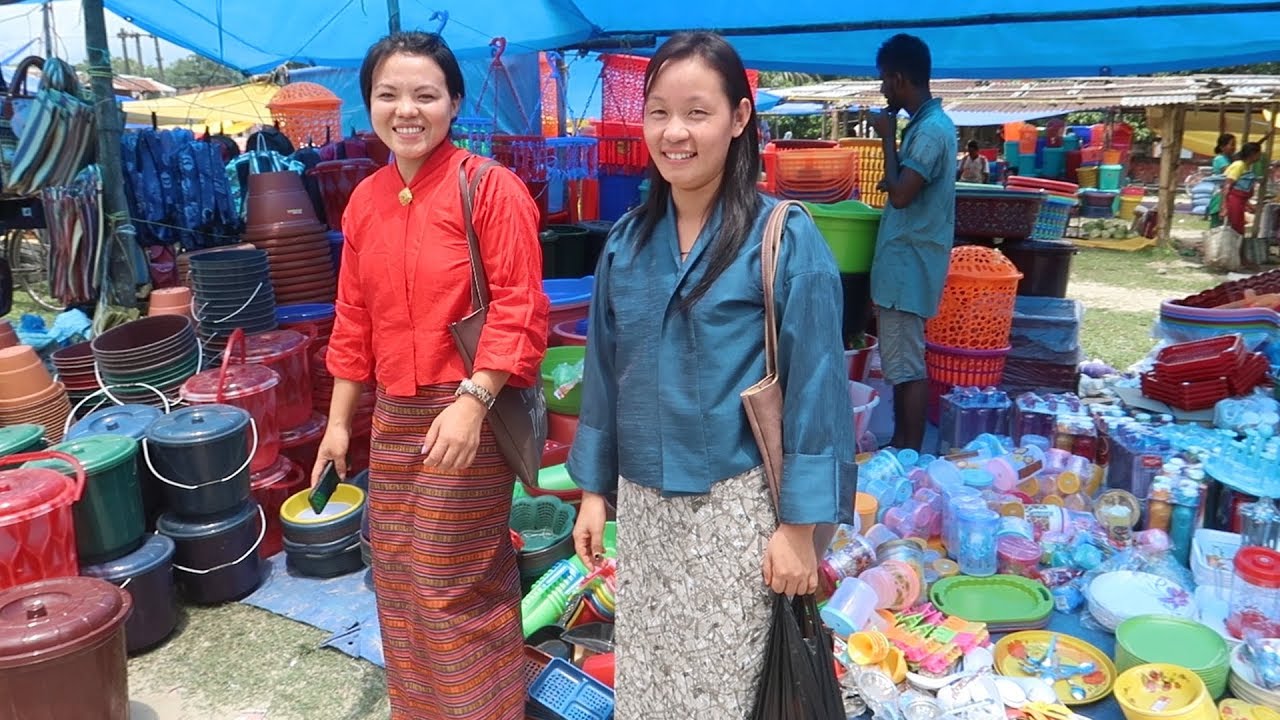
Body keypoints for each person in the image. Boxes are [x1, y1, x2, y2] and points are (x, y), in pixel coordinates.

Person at [567, 31, 855, 720]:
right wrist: (593, 492)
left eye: (697, 112)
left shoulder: (783, 237)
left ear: (739, 119)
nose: (674, 132)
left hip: (738, 519)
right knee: (650, 689)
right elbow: (605, 376)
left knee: (728, 697)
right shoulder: (627, 244)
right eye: (658, 111)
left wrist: (798, 530)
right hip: (646, 516)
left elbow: (818, 390)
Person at [314, 31, 548, 720]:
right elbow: (353, 320)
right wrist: (335, 428)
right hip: (394, 414)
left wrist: (474, 401)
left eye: (424, 94)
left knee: (449, 579)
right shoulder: (366, 201)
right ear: (368, 107)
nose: (406, 110)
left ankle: (485, 708)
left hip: (467, 411)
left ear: (453, 102)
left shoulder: (489, 187)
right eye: (389, 95)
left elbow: (519, 305)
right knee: (395, 575)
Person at [869, 33, 956, 452]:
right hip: (909, 261)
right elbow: (906, 184)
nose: (883, 89)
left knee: (906, 366)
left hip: (909, 265)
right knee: (903, 362)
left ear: (899, 78)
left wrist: (886, 134)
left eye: (884, 80)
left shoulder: (929, 133)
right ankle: (904, 446)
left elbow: (902, 196)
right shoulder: (927, 126)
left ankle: (908, 450)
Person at [1222, 141, 1263, 235]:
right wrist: (1224, 207)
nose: (1260, 156)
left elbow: (1241, 188)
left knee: (1239, 227)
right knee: (1236, 229)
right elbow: (1227, 185)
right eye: (1259, 153)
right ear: (1253, 154)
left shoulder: (1246, 166)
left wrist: (1248, 205)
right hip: (1233, 201)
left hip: (1240, 202)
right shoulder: (1239, 165)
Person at [1207, 133, 1236, 227]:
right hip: (1220, 195)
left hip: (1226, 193)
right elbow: (1231, 174)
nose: (1234, 147)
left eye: (1234, 144)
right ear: (1223, 147)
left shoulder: (1229, 159)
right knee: (1217, 226)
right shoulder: (1220, 159)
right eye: (1231, 144)